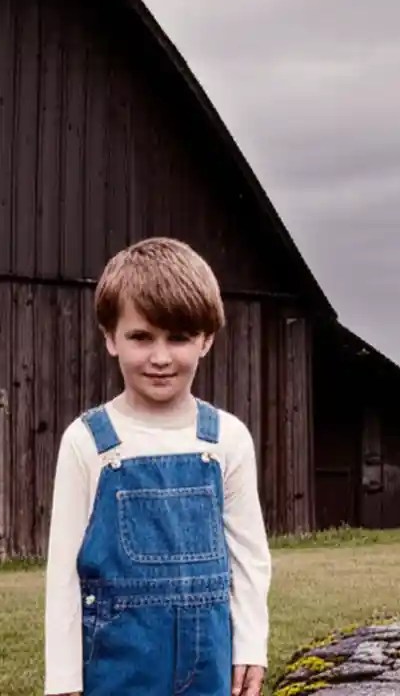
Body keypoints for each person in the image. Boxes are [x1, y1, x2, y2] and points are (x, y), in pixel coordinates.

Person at [43, 237, 272, 696]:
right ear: (111, 338)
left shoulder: (227, 438)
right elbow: (63, 572)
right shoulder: (88, 441)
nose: (161, 358)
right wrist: (64, 679)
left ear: (205, 339)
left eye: (179, 338)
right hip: (116, 663)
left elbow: (250, 557)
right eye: (141, 337)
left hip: (209, 663)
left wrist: (250, 644)